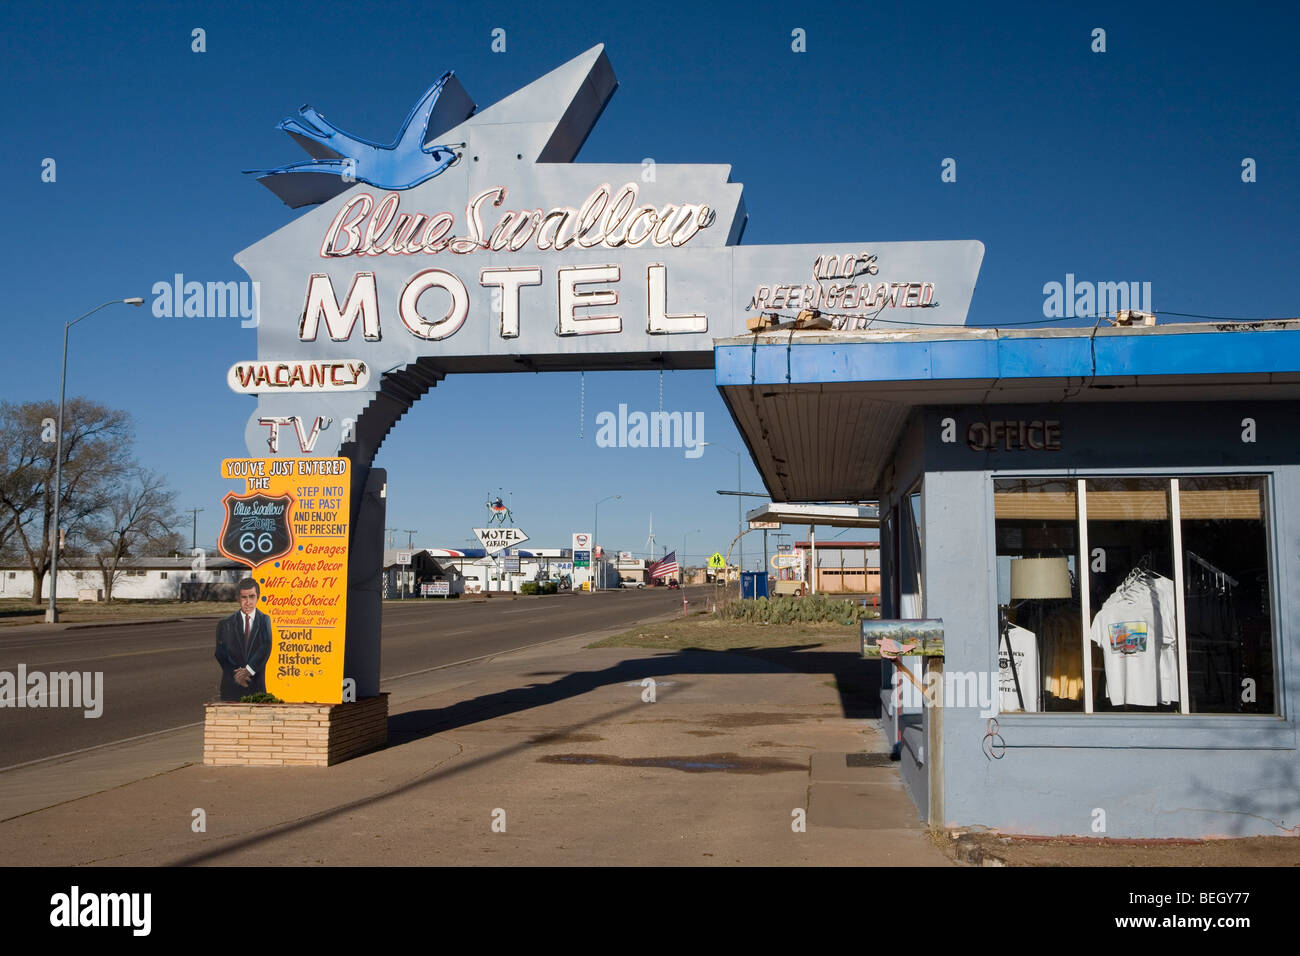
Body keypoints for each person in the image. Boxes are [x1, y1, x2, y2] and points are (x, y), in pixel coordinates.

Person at [215, 577, 273, 701]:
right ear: (238, 598)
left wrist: (249, 670)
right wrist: (237, 675)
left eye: (252, 597)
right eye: (244, 597)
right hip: (231, 686)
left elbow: (266, 646)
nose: (248, 602)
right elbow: (221, 653)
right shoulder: (225, 623)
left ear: (258, 597)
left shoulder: (264, 620)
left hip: (256, 685)